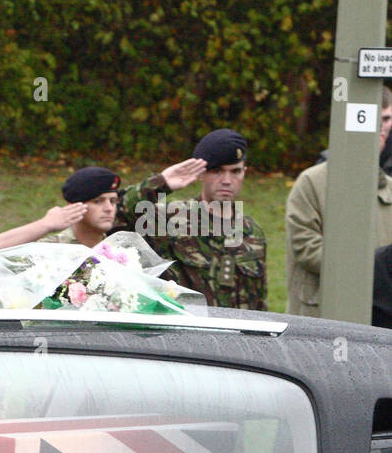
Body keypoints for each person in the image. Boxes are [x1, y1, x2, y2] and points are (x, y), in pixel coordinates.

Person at [113, 129, 267, 310]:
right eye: (217, 171)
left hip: (235, 335)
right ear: (201, 173)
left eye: (235, 172)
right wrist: (161, 183)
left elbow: (259, 302)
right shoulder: (169, 219)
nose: (227, 180)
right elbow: (116, 214)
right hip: (184, 334)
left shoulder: (252, 232)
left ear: (244, 173)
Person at [287, 88, 392, 317]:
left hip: (379, 318)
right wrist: (370, 268)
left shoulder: (389, 186)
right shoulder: (312, 183)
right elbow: (306, 247)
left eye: (379, 129)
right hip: (323, 315)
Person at [38, 167, 123, 248]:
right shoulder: (51, 249)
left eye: (112, 201)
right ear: (73, 206)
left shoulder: (121, 250)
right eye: (98, 201)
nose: (109, 208)